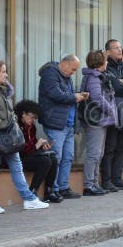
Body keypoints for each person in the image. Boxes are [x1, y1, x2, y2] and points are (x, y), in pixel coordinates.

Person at [0, 59, 50, 213]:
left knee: (17, 166)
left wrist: (9, 118)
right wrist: (0, 118)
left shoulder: (2, 89)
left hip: (8, 136)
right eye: (3, 71)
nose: (6, 75)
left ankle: (28, 199)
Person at [38, 54, 86, 200]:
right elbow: (55, 94)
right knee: (56, 157)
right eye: (73, 69)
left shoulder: (65, 75)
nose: (73, 72)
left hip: (68, 123)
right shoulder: (50, 73)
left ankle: (63, 187)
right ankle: (52, 189)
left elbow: (67, 95)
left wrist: (78, 96)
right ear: (65, 63)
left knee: (68, 157)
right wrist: (74, 97)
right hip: (55, 123)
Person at [79, 50, 117, 196]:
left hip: (99, 119)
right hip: (96, 120)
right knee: (94, 154)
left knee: (98, 153)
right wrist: (111, 111)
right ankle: (89, 185)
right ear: (100, 63)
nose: (107, 63)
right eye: (105, 61)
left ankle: (94, 183)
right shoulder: (94, 78)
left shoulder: (97, 76)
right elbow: (96, 97)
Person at [101, 39, 123, 192]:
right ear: (107, 52)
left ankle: (117, 178)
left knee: (121, 147)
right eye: (116, 48)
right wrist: (122, 84)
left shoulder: (122, 67)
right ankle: (106, 181)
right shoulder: (105, 67)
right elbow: (114, 86)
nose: (120, 50)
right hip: (111, 110)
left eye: (120, 47)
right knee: (110, 147)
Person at [13, 100, 61, 203]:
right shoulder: (15, 127)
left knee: (53, 158)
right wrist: (36, 145)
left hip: (28, 156)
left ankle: (49, 192)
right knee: (45, 161)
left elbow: (33, 147)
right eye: (31, 117)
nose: (33, 120)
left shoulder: (31, 127)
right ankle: (32, 192)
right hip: (17, 159)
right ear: (23, 113)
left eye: (35, 118)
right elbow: (19, 148)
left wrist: (42, 147)